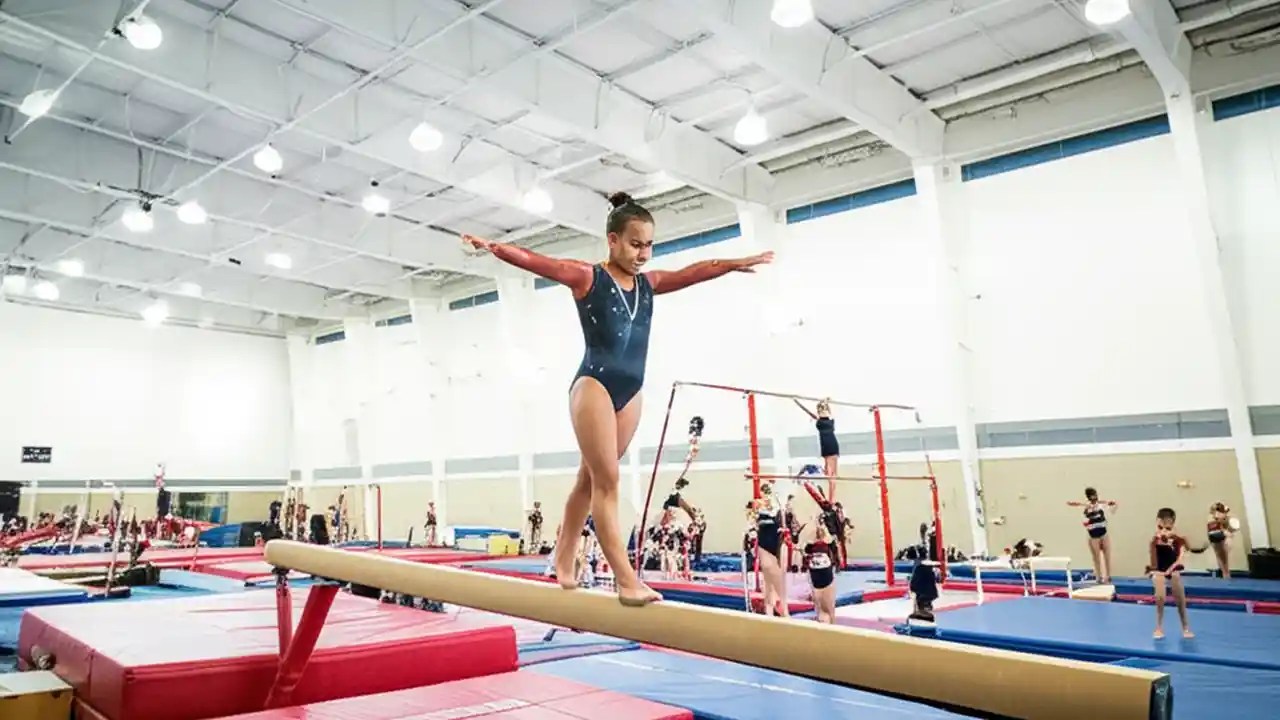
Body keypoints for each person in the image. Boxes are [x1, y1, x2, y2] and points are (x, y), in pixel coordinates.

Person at [462, 192, 773, 606]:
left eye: (649, 245)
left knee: (588, 480)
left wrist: (732, 265)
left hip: (631, 392)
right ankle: (626, 580)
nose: (643, 253)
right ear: (612, 240)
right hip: (594, 385)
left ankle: (563, 554)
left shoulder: (650, 284)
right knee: (608, 482)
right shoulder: (588, 278)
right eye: (634, 244)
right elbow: (541, 263)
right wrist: (494, 248)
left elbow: (695, 271)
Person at [1147, 508, 1204, 639]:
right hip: (1160, 569)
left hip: (1174, 569)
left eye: (1167, 527)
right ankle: (1159, 627)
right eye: (1160, 526)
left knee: (1180, 598)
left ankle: (1185, 627)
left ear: (1172, 524)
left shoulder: (1177, 539)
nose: (1163, 530)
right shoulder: (1155, 539)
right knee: (1160, 597)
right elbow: (1153, 556)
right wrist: (1155, 571)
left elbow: (1181, 557)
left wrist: (1182, 540)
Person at [753, 482, 789, 617]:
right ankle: (772, 607)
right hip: (764, 539)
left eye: (768, 491)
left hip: (776, 539)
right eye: (764, 491)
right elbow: (754, 518)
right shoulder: (758, 504)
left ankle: (778, 606)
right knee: (768, 572)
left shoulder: (777, 504)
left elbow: (783, 520)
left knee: (776, 573)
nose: (766, 494)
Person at [1066, 487, 1117, 583]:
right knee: (1096, 557)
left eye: (1095, 496)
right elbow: (1084, 522)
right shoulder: (1086, 508)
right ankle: (1099, 576)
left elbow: (1111, 510)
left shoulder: (1101, 505)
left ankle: (1108, 576)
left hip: (1104, 533)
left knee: (1107, 555)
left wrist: (1112, 504)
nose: (1094, 498)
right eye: (1092, 497)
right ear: (1089, 497)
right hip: (1093, 536)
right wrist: (1089, 510)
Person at [793, 398, 839, 498]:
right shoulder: (820, 418)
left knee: (832, 475)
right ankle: (812, 470)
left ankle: (832, 499)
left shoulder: (829, 417)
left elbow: (826, 407)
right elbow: (807, 410)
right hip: (825, 446)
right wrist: (797, 402)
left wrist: (826, 401)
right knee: (828, 473)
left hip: (831, 444)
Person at [803, 523, 837, 624]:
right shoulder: (828, 544)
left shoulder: (811, 546)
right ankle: (832, 624)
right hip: (824, 570)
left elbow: (806, 549)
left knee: (819, 606)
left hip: (816, 572)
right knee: (830, 608)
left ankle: (822, 620)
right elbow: (834, 551)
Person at [1206, 502, 1236, 578]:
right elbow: (1219, 522)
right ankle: (1225, 573)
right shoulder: (1214, 517)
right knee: (1221, 556)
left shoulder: (1218, 517)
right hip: (1215, 534)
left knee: (1221, 556)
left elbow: (1224, 524)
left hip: (1216, 535)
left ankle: (1225, 573)